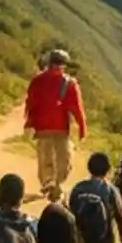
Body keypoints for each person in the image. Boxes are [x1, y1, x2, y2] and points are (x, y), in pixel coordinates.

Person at [24, 49, 87, 202]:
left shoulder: (38, 81)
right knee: (63, 161)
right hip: (58, 130)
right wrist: (82, 128)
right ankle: (54, 185)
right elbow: (77, 108)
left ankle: (50, 184)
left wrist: (29, 123)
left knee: (48, 160)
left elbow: (30, 104)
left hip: (46, 129)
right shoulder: (69, 84)